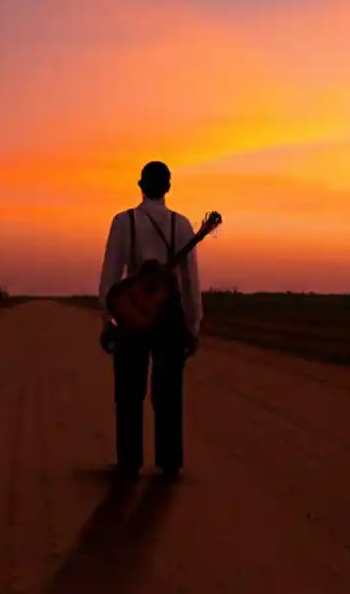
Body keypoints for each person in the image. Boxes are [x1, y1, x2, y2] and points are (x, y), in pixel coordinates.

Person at [98, 161, 202, 478]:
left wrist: (107, 321)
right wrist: (193, 325)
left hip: (131, 317)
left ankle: (130, 462)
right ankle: (169, 463)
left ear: (140, 185)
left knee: (129, 393)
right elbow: (190, 282)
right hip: (169, 318)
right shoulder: (182, 225)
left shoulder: (122, 221)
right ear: (168, 188)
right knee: (169, 392)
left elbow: (111, 277)